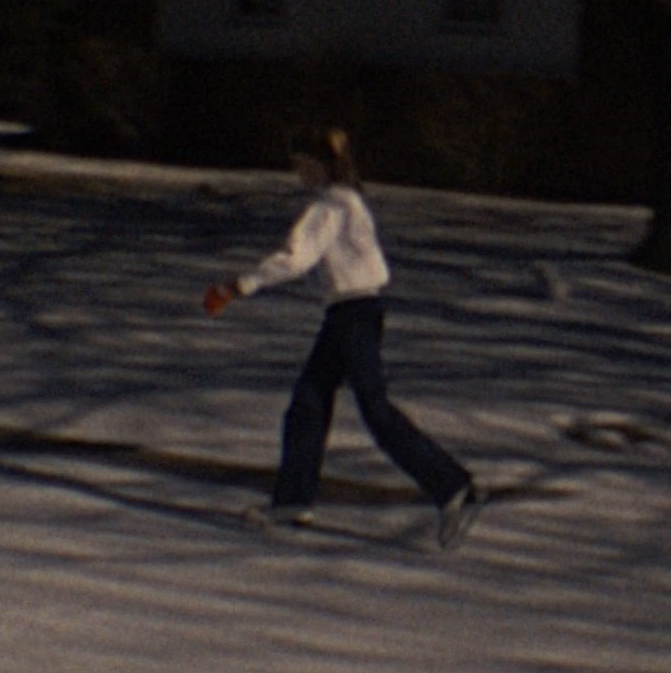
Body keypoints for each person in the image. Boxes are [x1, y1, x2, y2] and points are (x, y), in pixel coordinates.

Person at [204, 127, 483, 550]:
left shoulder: (330, 205)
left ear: (318, 165)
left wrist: (238, 286)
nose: (299, 174)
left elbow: (295, 259)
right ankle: (292, 500)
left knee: (375, 411)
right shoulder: (351, 200)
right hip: (352, 313)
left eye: (301, 165)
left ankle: (453, 487)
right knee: (309, 401)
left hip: (352, 316)